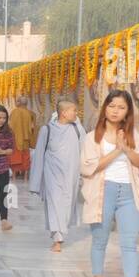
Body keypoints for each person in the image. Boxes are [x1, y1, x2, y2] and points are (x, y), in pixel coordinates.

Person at [80, 89, 139, 277]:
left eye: (121, 107)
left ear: (128, 112)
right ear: (105, 108)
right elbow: (87, 167)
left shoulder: (133, 135)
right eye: (111, 106)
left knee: (130, 241)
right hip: (103, 190)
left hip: (128, 192)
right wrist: (117, 151)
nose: (115, 111)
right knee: (100, 239)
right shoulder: (92, 137)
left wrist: (126, 149)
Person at [29, 99, 83, 252]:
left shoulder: (77, 129)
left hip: (70, 176)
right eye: (74, 110)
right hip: (52, 176)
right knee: (54, 205)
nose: (76, 113)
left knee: (66, 206)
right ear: (64, 113)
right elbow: (39, 154)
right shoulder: (47, 129)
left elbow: (85, 149)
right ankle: (57, 238)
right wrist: (35, 182)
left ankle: (60, 233)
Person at [9, 96, 37, 178]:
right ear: (27, 103)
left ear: (19, 103)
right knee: (25, 157)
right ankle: (25, 177)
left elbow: (11, 126)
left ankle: (14, 176)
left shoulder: (14, 112)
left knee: (16, 157)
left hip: (16, 139)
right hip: (26, 140)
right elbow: (33, 128)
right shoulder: (32, 114)